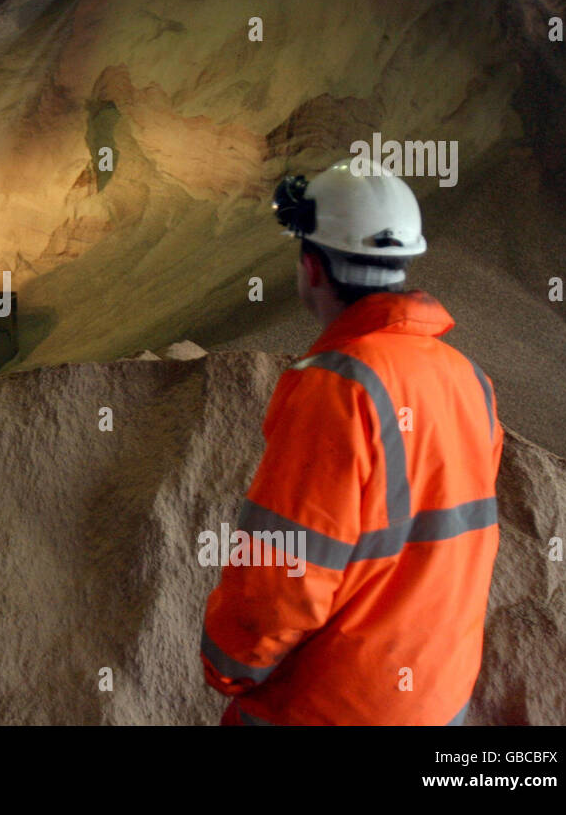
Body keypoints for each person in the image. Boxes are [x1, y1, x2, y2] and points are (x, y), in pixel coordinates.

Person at [200, 156, 502, 725]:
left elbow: (285, 573)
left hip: (332, 708)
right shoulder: (470, 381)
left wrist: (228, 667)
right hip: (437, 703)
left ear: (312, 267)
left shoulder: (333, 385)